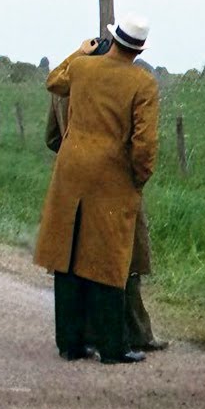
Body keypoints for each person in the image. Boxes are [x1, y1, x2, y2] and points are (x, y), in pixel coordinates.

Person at [34, 16, 159, 364]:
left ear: (113, 39)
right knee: (109, 260)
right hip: (112, 176)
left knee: (68, 256)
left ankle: (70, 344)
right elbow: (144, 143)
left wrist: (79, 51)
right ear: (139, 48)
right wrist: (139, 177)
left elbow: (53, 80)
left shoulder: (83, 69)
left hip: (70, 173)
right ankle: (112, 346)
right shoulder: (142, 82)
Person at [45, 73, 168, 354]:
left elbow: (52, 137)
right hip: (115, 181)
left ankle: (83, 336)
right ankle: (133, 334)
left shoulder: (62, 89)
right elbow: (141, 142)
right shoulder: (120, 86)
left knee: (76, 260)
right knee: (125, 259)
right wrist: (136, 176)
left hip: (73, 185)